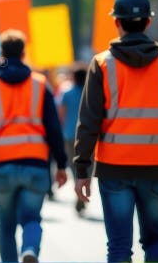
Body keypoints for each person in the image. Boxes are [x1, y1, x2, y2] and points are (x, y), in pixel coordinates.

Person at [74, 0, 158, 262]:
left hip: (114, 169)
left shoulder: (101, 64)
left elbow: (89, 121)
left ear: (116, 22)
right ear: (149, 22)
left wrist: (81, 168)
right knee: (156, 241)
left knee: (118, 246)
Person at [0, 30, 68, 263]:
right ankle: (30, 249)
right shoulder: (40, 84)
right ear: (24, 53)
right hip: (36, 163)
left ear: (2, 53)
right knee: (32, 219)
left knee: (6, 226)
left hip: (3, 165)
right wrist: (62, 165)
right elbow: (54, 128)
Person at [59, 63, 87, 215]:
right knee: (87, 166)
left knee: (73, 166)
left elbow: (61, 114)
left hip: (69, 135)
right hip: (88, 137)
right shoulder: (91, 92)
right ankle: (82, 193)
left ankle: (78, 191)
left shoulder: (67, 93)